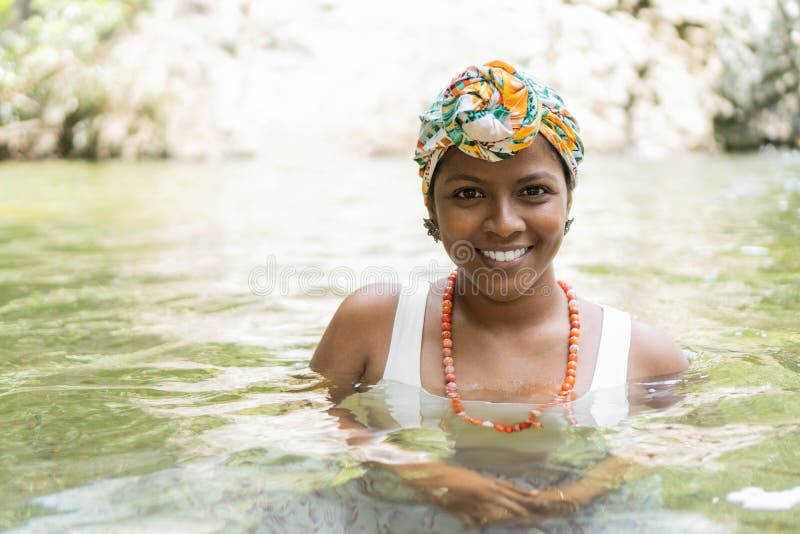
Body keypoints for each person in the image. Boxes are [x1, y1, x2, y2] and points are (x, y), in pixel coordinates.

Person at [311, 60, 688, 528]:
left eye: (533, 191)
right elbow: (308, 421)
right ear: (431, 205)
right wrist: (422, 472)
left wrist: (580, 492)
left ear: (569, 197)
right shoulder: (372, 325)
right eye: (469, 195)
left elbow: (676, 439)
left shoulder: (643, 355)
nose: (505, 223)